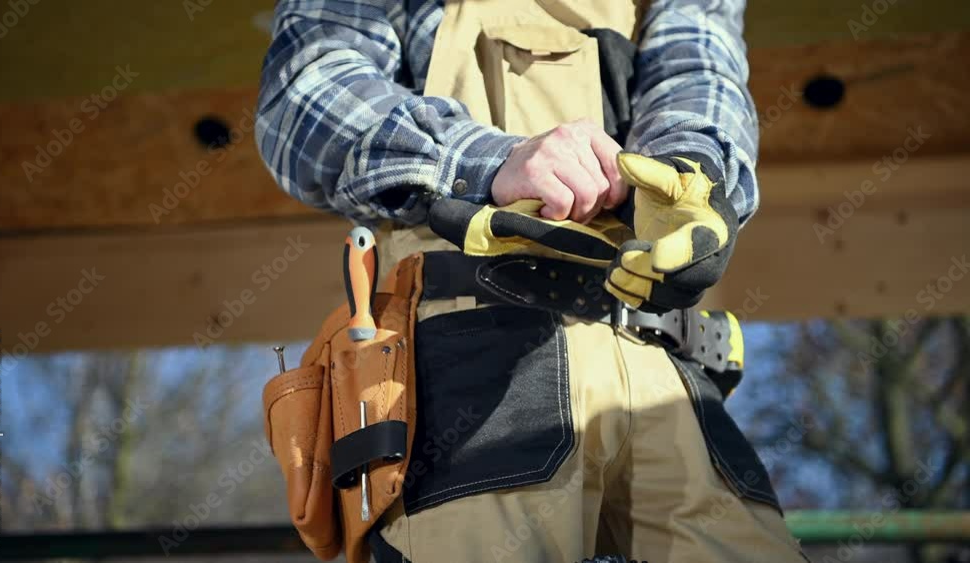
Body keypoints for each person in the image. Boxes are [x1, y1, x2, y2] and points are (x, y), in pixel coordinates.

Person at [256, 1, 809, 561]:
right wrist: (488, 163)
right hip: (469, 360)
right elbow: (303, 98)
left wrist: (693, 176)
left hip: (663, 372)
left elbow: (699, 68)